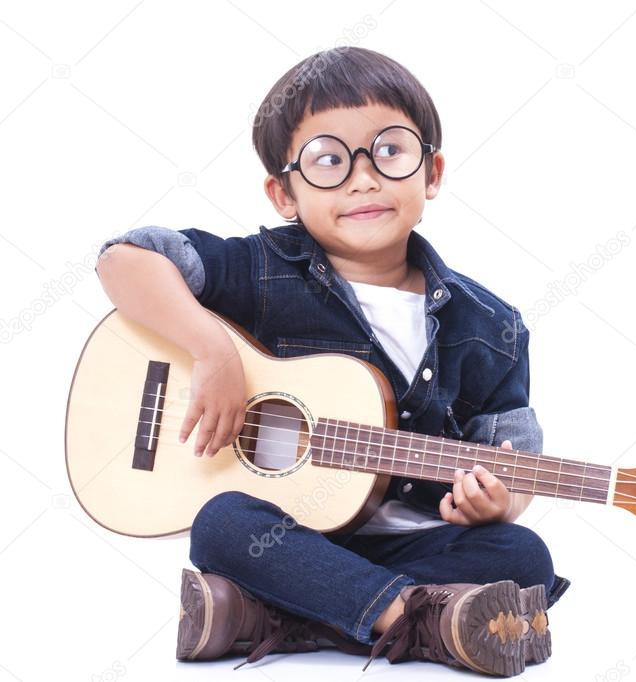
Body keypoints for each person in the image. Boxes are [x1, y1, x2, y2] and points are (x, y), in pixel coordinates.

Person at [94, 46, 569, 677]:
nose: (363, 178)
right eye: (328, 160)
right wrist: (210, 349)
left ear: (432, 172)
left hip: (410, 540)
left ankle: (267, 615)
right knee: (221, 523)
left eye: (391, 151)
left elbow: (514, 464)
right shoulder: (260, 271)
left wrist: (498, 504)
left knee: (522, 554)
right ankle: (420, 620)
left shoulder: (493, 327)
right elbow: (123, 259)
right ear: (283, 193)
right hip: (288, 536)